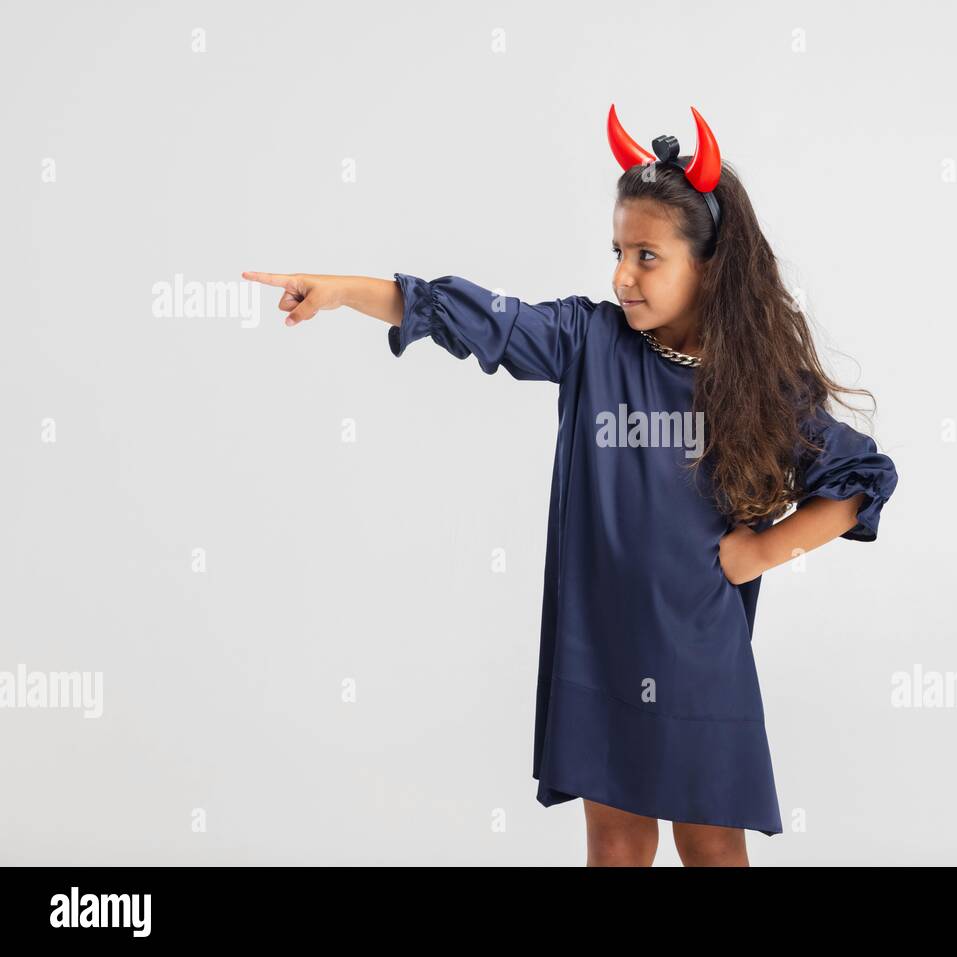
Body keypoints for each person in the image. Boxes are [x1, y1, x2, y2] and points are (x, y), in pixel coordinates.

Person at [243, 104, 899, 867]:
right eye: (618, 250)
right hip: (601, 644)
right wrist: (345, 289)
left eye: (647, 256)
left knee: (712, 840)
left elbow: (860, 477)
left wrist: (762, 551)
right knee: (617, 841)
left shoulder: (755, 383)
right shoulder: (589, 341)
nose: (622, 274)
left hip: (699, 650)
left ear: (709, 266)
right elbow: (479, 319)